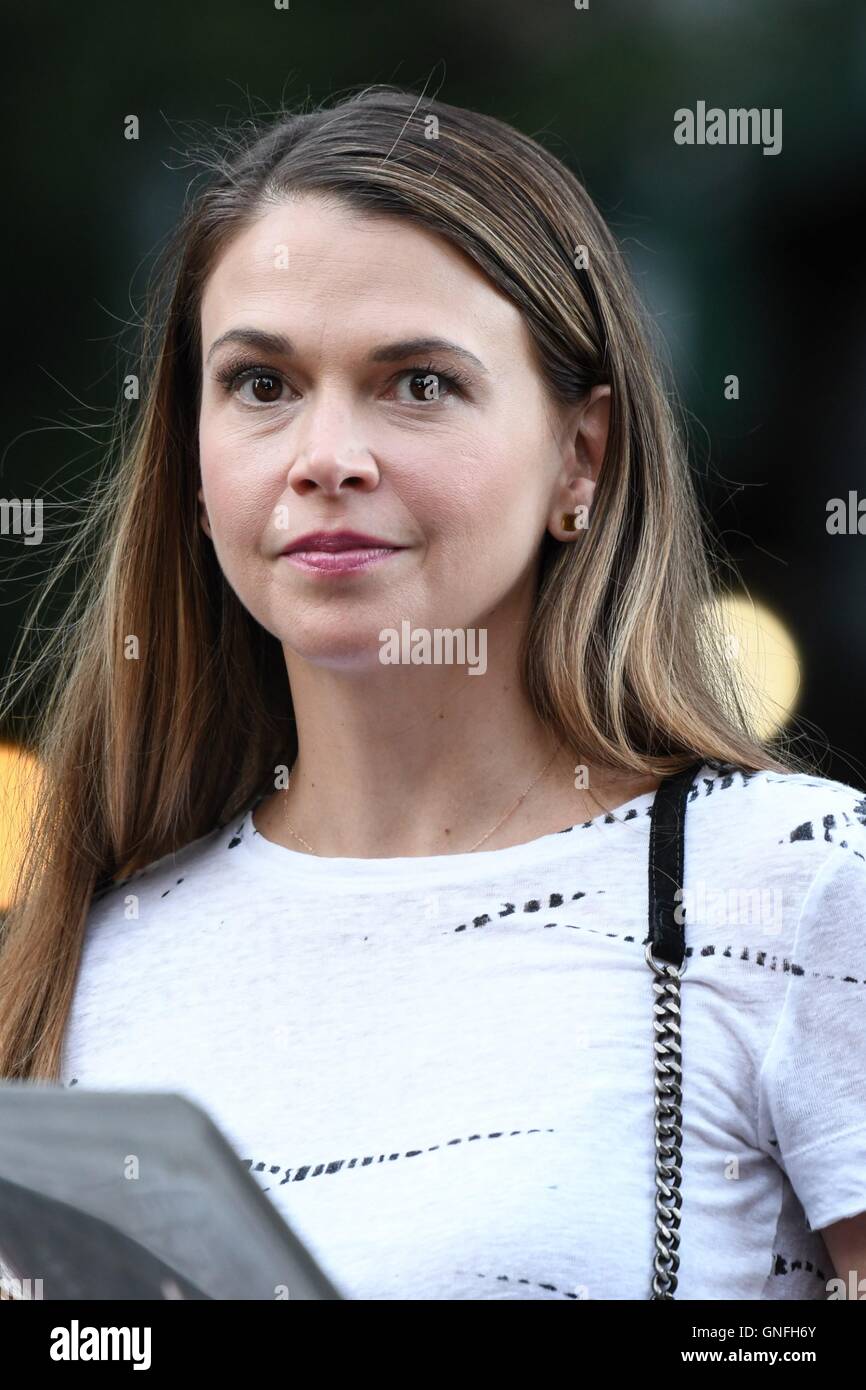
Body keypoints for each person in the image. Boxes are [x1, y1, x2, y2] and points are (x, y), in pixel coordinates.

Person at [0, 85, 864, 1301]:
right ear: (190, 459)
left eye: (417, 383)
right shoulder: (82, 960)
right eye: (260, 384)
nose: (325, 456)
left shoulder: (791, 883)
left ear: (582, 452)